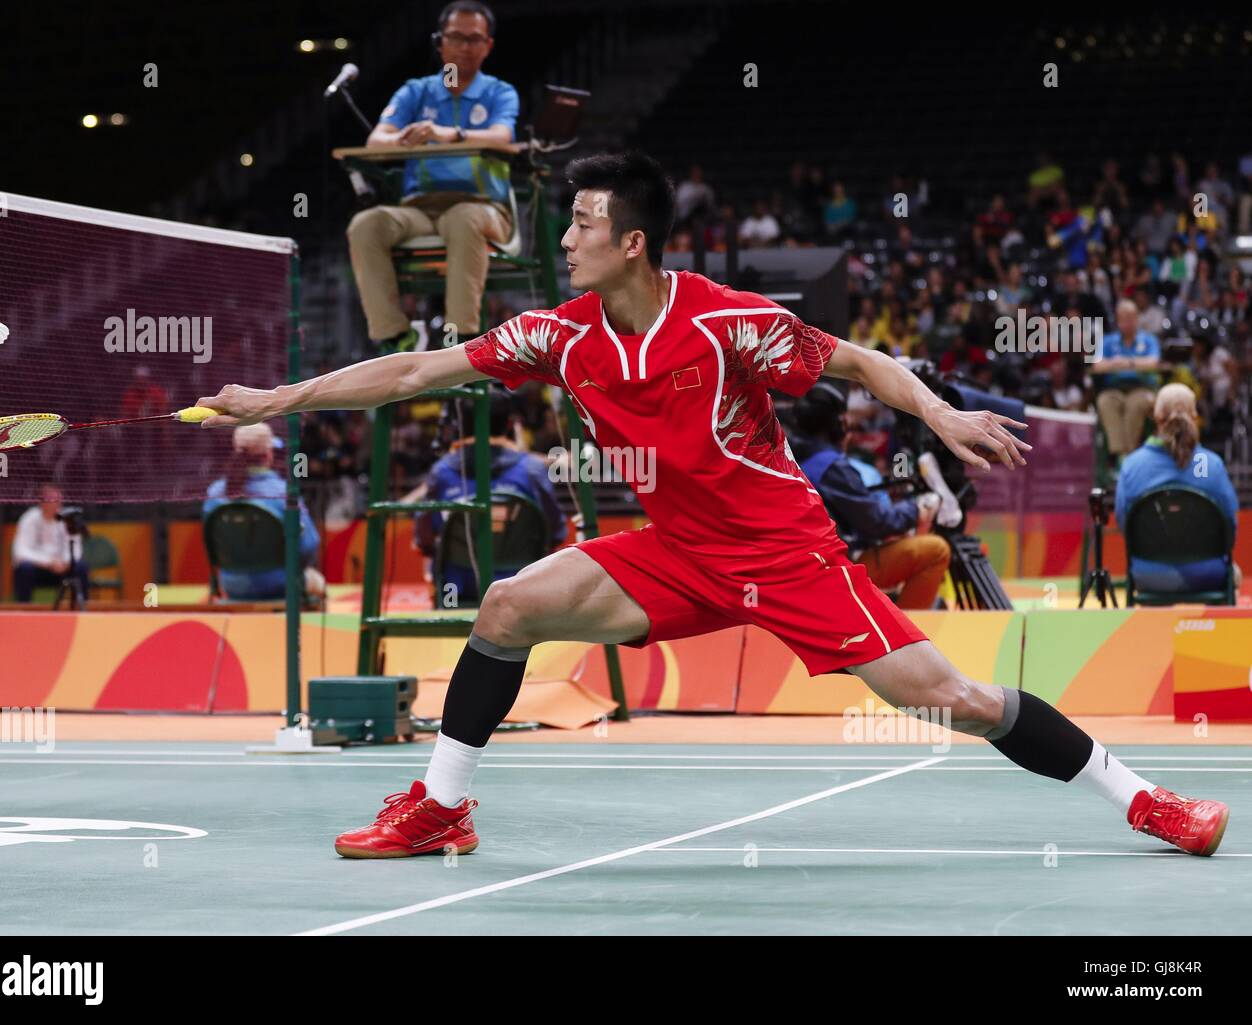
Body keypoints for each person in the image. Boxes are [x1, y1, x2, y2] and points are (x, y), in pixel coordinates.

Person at [198, 151, 1228, 860]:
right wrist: (278, 398)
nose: (568, 239)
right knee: (508, 604)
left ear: (635, 242)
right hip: (677, 548)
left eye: (586, 224)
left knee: (955, 697)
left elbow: (860, 361)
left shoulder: (725, 323)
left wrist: (941, 413)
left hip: (788, 554)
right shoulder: (564, 337)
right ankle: (442, 807)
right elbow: (418, 368)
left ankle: (1147, 799)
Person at [345, 1, 518, 353]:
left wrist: (448, 134)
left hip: (484, 210)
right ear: (440, 42)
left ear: (488, 46)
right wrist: (405, 136)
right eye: (456, 37)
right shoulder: (416, 92)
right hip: (420, 212)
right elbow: (376, 141)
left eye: (474, 39)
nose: (464, 47)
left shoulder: (499, 92)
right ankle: (396, 335)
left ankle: (462, 342)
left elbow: (501, 137)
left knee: (462, 218)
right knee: (366, 225)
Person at [791, 383, 950, 609]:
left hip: (803, 566)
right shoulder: (831, 467)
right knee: (936, 550)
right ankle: (907, 636)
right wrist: (917, 509)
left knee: (895, 542)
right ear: (839, 427)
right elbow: (878, 522)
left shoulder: (791, 460)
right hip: (833, 569)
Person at [415, 393, 566, 603]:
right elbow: (556, 532)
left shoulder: (441, 473)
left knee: (447, 586)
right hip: (521, 587)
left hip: (455, 589)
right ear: (509, 424)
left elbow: (424, 539)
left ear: (461, 425)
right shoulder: (532, 470)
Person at [1115, 384, 1240, 595]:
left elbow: (1123, 524)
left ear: (1156, 416)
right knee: (1235, 574)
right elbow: (1230, 526)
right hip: (1207, 574)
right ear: (1194, 415)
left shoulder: (1132, 465)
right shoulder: (1209, 464)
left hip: (1149, 575)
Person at [202, 423, 325, 600]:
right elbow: (309, 545)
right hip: (281, 583)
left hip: (232, 585)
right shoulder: (284, 492)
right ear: (268, 454)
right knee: (318, 583)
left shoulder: (214, 493)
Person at [1091, 298, 1161, 465]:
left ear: (1137, 319)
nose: (1127, 323)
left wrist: (1128, 362)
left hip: (1141, 388)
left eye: (1131, 318)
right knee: (1105, 402)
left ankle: (1127, 456)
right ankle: (1121, 454)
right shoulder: (1108, 341)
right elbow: (1096, 364)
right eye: (1123, 319)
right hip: (1114, 388)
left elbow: (1153, 362)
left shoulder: (1149, 340)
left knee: (1135, 404)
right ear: (1118, 321)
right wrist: (1115, 363)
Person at [12, 484, 87, 602]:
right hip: (38, 568)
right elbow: (20, 551)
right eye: (52, 500)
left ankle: (82, 608)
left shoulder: (68, 518)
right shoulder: (29, 518)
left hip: (63, 567)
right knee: (24, 568)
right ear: (41, 502)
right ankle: (23, 609)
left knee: (80, 567)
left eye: (59, 499)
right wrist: (49, 562)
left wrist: (66, 562)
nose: (57, 503)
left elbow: (76, 549)